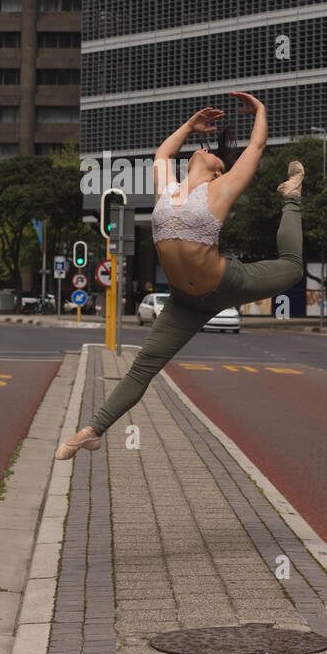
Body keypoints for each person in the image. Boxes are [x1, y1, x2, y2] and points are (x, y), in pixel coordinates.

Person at [55, 92, 305, 460]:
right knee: (143, 367)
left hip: (226, 282)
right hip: (183, 302)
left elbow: (257, 144)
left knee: (294, 266)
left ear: (219, 168)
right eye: (199, 146)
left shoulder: (221, 189)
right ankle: (92, 432)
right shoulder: (167, 190)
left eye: (209, 150)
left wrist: (262, 110)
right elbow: (162, 155)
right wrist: (190, 125)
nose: (202, 148)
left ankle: (292, 194)